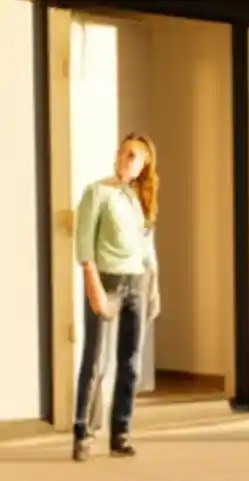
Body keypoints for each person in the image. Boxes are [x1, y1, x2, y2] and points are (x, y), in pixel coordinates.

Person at [71, 133, 162, 462]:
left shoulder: (137, 200)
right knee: (96, 360)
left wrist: (154, 288)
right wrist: (92, 283)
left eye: (134, 158)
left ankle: (121, 432)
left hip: (136, 282)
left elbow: (146, 249)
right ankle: (83, 431)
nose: (126, 161)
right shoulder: (97, 193)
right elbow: (84, 245)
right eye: (124, 154)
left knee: (131, 364)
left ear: (142, 167)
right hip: (106, 281)